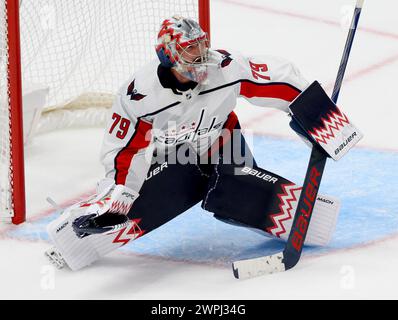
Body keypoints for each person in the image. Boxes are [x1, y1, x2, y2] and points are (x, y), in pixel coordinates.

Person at [46, 16, 343, 271]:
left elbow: (278, 79)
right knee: (134, 199)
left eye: (202, 45)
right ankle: (81, 224)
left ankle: (232, 188)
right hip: (172, 156)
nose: (202, 56)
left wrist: (318, 114)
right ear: (168, 55)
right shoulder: (139, 96)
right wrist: (123, 192)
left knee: (234, 193)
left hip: (222, 141)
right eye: (191, 51)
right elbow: (126, 149)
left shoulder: (225, 68)